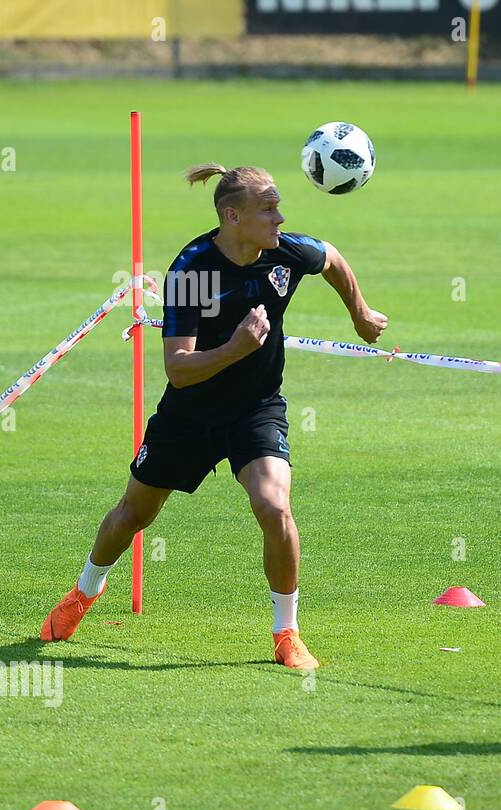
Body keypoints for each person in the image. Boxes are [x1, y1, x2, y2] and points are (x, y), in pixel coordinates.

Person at [40, 163, 388, 669]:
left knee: (274, 508)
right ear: (232, 216)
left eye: (278, 206)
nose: (280, 217)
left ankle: (286, 631)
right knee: (134, 513)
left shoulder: (286, 252)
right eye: (268, 209)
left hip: (256, 411)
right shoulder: (193, 270)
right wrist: (236, 347)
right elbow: (178, 370)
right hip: (190, 414)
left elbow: (331, 257)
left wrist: (359, 312)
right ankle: (84, 591)